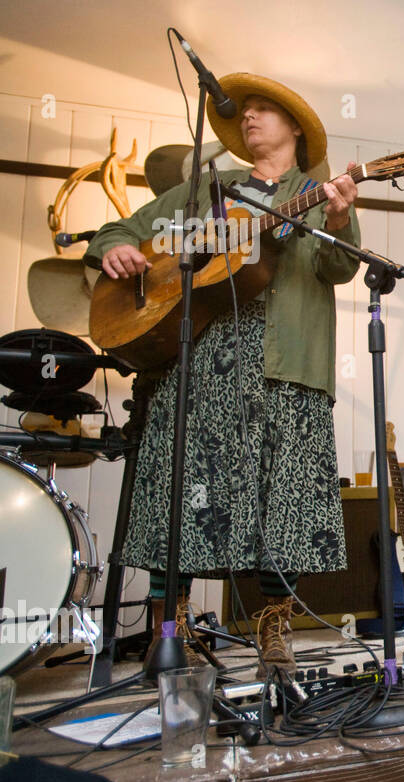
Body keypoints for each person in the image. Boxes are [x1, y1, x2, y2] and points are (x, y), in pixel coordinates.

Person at [88, 73, 360, 677]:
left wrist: (340, 220)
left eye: (265, 109)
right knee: (182, 494)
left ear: (296, 129)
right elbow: (121, 231)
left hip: (286, 366)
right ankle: (171, 629)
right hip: (200, 363)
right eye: (247, 111)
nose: (250, 117)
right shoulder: (208, 191)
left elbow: (340, 269)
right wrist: (115, 249)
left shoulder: (317, 194)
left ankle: (275, 631)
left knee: (283, 502)